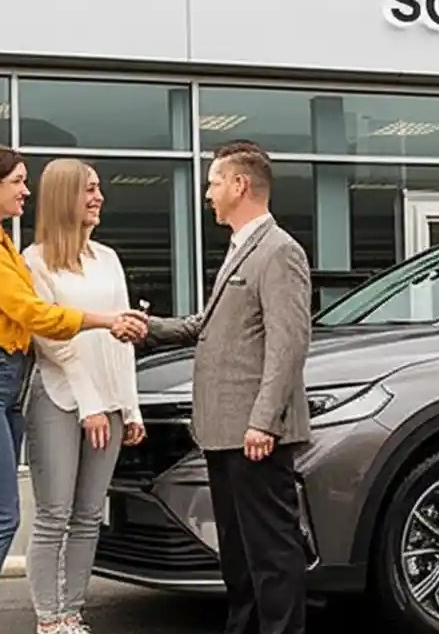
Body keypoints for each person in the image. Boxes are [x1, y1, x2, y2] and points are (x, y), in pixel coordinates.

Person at [0, 144, 147, 634]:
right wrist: (105, 321)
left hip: (4, 379)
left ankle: (22, 615)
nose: (25, 190)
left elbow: (118, 345)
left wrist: (128, 406)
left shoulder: (0, 242)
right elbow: (35, 318)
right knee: (2, 516)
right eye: (17, 181)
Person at [145, 139, 313, 634]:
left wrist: (264, 421)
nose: (208, 194)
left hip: (253, 435)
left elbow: (288, 346)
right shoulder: (242, 249)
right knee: (238, 557)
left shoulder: (279, 252)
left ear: (240, 185)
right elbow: (209, 325)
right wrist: (149, 328)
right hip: (222, 432)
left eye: (214, 183)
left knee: (272, 553)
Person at [20, 158, 147, 634]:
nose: (98, 198)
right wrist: (90, 403)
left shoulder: (108, 258)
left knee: (89, 515)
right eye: (89, 190)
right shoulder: (34, 261)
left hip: (110, 404)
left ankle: (73, 612)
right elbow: (53, 343)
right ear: (63, 197)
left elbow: (122, 338)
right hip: (59, 398)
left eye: (99, 190)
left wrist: (128, 406)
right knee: (54, 514)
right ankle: (48, 619)